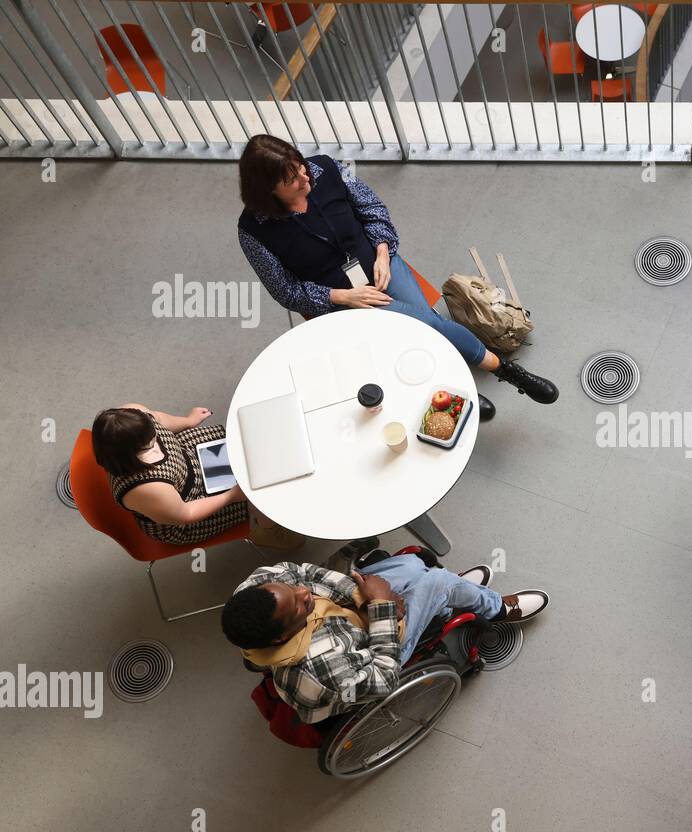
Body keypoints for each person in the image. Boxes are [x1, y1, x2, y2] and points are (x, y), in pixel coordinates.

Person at [236, 134, 557, 409]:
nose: (306, 177)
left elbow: (372, 209)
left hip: (382, 263)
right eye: (292, 178)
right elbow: (286, 291)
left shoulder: (325, 167)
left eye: (300, 165)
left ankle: (464, 388)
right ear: (269, 191)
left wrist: (381, 250)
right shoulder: (254, 231)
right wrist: (343, 295)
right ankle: (499, 371)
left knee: (425, 325)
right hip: (341, 298)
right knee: (427, 324)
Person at [220, 546, 549, 725]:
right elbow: (383, 677)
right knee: (435, 582)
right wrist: (381, 612)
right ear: (279, 639)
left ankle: (450, 595)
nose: (303, 591)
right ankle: (493, 609)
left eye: (292, 590)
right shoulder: (317, 674)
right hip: (375, 652)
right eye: (297, 604)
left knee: (409, 564)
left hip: (354, 610)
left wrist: (365, 598)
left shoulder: (255, 589)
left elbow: (302, 572)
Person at [92, 403, 296, 549]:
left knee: (246, 443)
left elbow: (160, 419)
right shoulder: (145, 488)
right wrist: (231, 496)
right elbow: (185, 514)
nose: (155, 442)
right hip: (187, 504)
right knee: (259, 488)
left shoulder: (131, 414)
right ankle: (266, 530)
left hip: (185, 457)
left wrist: (188, 421)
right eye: (148, 445)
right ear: (129, 454)